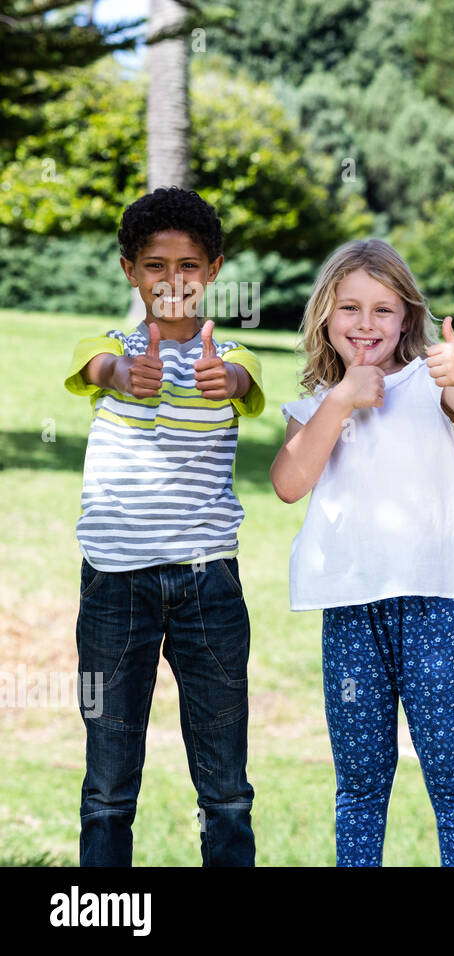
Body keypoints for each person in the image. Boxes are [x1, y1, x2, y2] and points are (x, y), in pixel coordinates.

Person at [270, 239, 454, 866]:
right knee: (359, 786)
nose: (366, 324)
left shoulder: (430, 382)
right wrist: (341, 398)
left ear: (407, 316)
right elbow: (288, 483)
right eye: (350, 308)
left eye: (384, 310)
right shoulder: (318, 404)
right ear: (326, 315)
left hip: (438, 607)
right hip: (352, 612)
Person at [65, 186, 264, 866]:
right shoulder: (108, 347)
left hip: (209, 584)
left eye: (187, 265)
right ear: (130, 271)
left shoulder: (232, 354)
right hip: (116, 587)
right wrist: (125, 373)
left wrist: (226, 379)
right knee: (109, 787)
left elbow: (242, 378)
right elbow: (101, 367)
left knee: (226, 789)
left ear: (212, 269)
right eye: (155, 265)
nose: (172, 281)